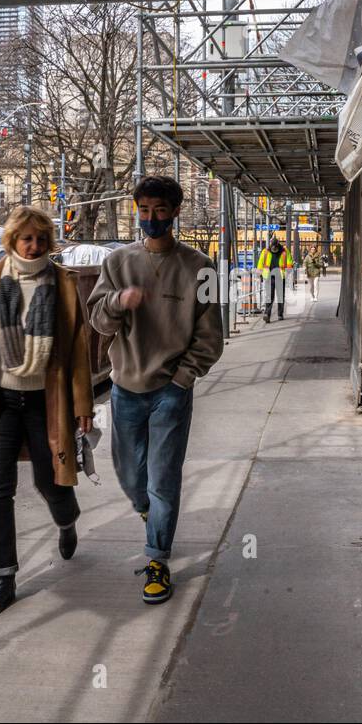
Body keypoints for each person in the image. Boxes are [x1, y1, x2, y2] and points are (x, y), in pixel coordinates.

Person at [0, 206, 94, 618]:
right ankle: (4, 577)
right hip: (1, 402)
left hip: (45, 400)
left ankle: (66, 520)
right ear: (11, 241)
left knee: (52, 482)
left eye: (40, 238)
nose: (33, 245)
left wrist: (83, 404)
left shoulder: (63, 282)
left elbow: (79, 348)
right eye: (25, 238)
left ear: (49, 242)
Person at [87, 175, 224, 605]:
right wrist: (117, 303)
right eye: (143, 210)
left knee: (163, 478)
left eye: (159, 210)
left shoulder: (202, 266)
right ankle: (150, 514)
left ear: (175, 211)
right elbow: (97, 321)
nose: (150, 219)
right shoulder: (117, 263)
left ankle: (157, 560)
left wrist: (183, 378)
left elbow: (211, 335)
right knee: (131, 476)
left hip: (171, 390)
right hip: (125, 387)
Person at [256, 236, 293, 322]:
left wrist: (289, 275)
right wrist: (258, 275)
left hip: (280, 276)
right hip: (268, 277)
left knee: (280, 297)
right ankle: (267, 315)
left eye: (275, 248)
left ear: (278, 245)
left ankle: (280, 314)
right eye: (272, 248)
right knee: (269, 296)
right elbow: (260, 264)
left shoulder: (284, 251)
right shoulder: (265, 252)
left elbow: (289, 263)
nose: (274, 249)